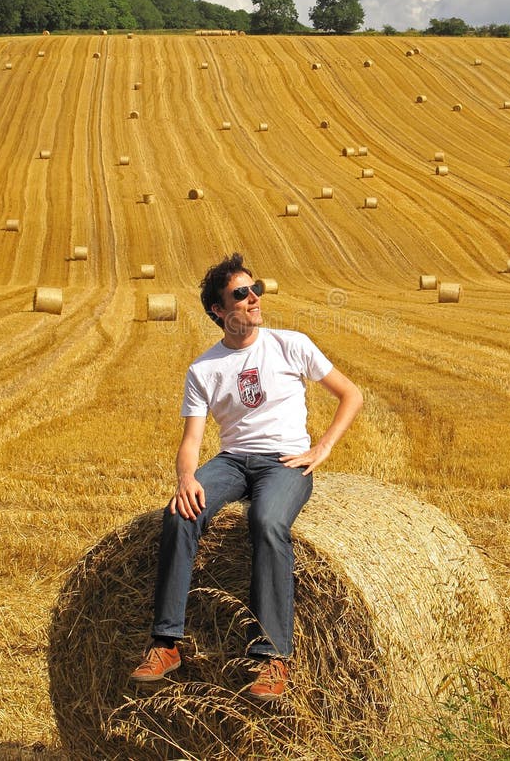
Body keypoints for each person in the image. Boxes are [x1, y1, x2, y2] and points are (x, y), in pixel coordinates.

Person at [130, 253, 363, 701]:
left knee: (267, 521)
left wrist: (322, 448)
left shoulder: (290, 344)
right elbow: (191, 440)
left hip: (283, 461)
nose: (254, 298)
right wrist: (186, 478)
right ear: (219, 310)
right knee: (179, 514)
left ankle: (272, 655)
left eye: (256, 289)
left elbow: (350, 394)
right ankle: (166, 642)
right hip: (233, 461)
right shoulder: (204, 369)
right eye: (241, 293)